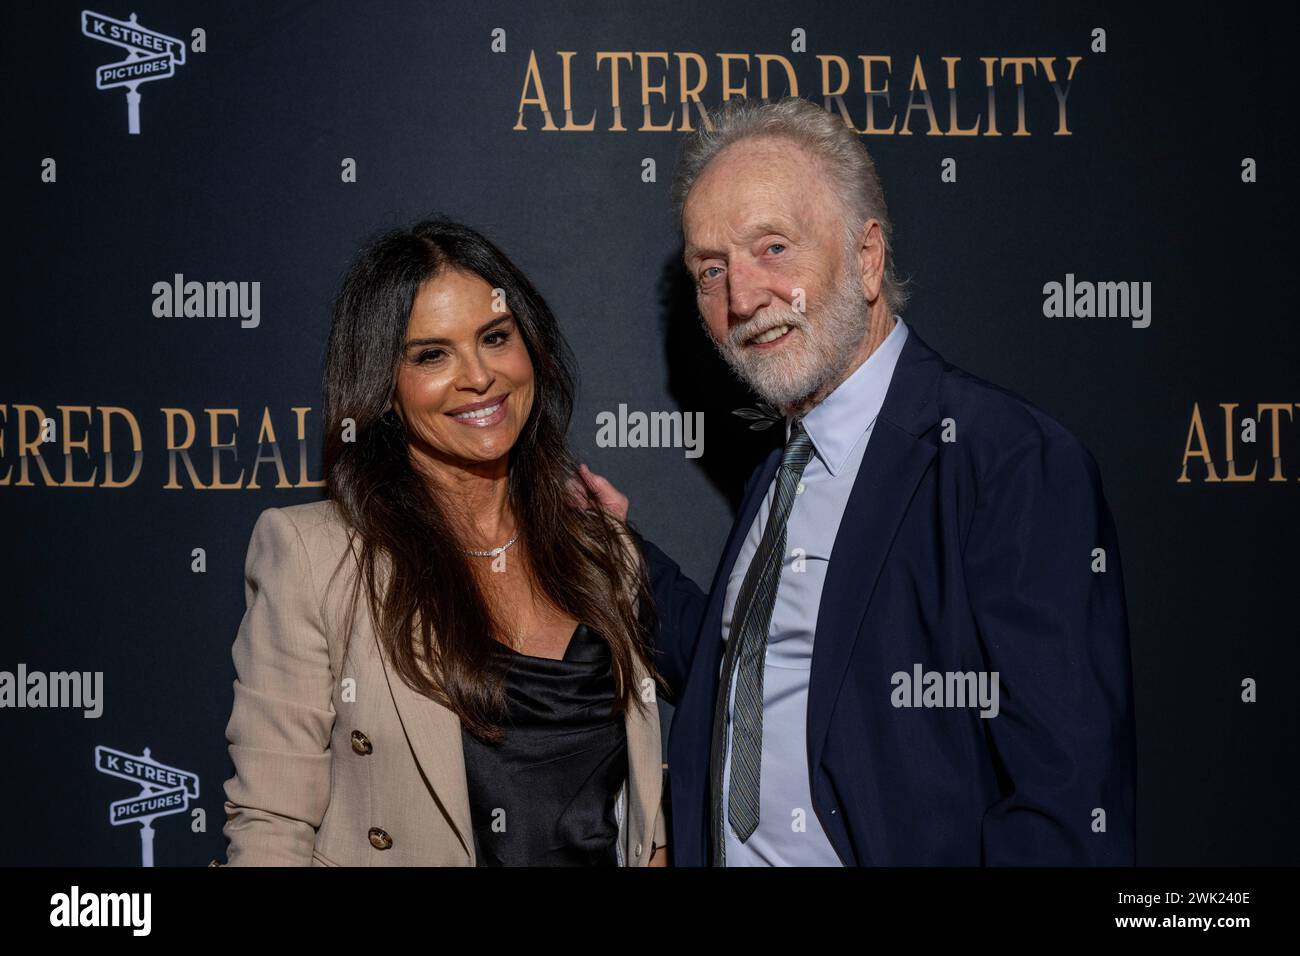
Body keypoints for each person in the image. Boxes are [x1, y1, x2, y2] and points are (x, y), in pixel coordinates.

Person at [582, 96, 1136, 866]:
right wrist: (613, 556)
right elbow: (751, 672)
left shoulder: (1004, 458)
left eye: (773, 248)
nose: (742, 298)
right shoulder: (784, 462)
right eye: (711, 270)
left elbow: (1066, 799)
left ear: (868, 256)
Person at [219, 217, 669, 866]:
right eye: (432, 354)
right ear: (386, 390)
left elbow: (642, 819)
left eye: (494, 337)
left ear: (530, 349)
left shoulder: (604, 553)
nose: (478, 376)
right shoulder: (314, 558)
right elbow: (271, 827)